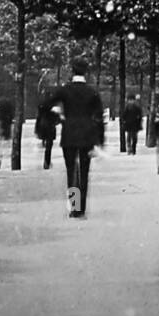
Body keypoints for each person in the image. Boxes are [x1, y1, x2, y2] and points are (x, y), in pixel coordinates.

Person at [51, 57, 105, 218]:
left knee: (71, 171)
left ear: (72, 71)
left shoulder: (64, 90)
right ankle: (82, 208)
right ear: (86, 72)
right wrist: (100, 140)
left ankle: (75, 206)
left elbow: (46, 105)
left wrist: (58, 117)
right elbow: (99, 117)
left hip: (69, 134)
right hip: (87, 135)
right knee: (84, 171)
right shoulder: (92, 92)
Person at [34, 96, 59, 170]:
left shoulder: (41, 108)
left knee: (47, 143)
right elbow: (56, 118)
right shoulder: (52, 108)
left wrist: (37, 129)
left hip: (43, 125)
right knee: (49, 145)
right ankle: (47, 161)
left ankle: (46, 161)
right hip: (50, 126)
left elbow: (38, 118)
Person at [0, 97, 15, 171]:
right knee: (4, 147)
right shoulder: (7, 115)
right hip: (5, 128)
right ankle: (4, 163)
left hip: (1, 131)